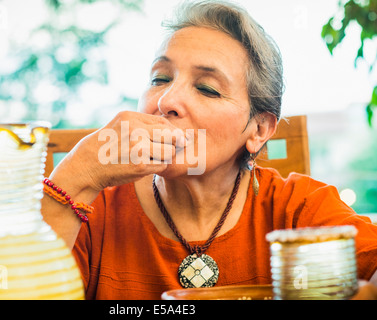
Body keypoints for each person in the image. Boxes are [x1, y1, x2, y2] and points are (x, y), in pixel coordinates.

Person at [41, 0, 377, 300]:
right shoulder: (89, 209)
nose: (166, 101)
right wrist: (77, 173)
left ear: (259, 129)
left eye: (207, 88)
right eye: (160, 78)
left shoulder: (297, 209)